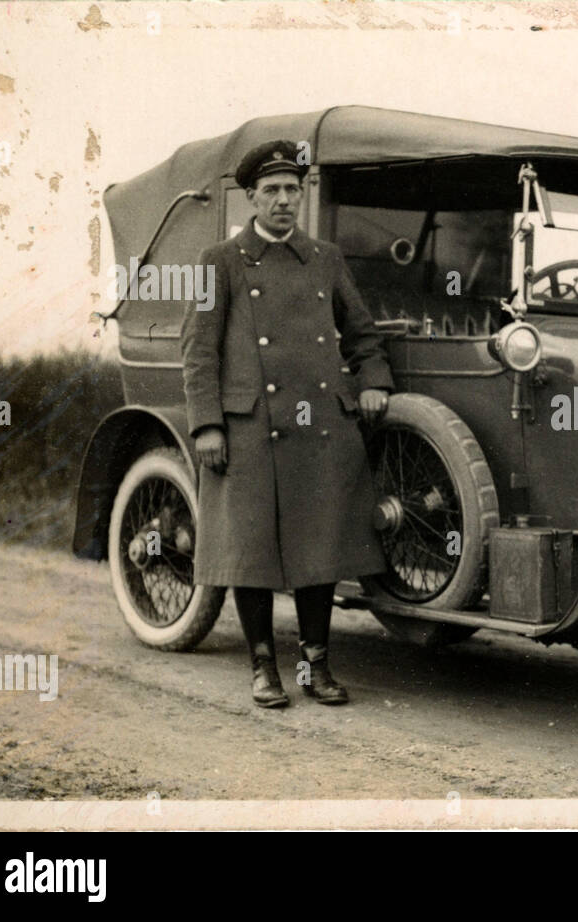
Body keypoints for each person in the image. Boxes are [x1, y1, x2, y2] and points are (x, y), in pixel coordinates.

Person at [180, 139, 392, 708]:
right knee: (250, 550)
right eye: (270, 191)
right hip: (250, 427)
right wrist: (207, 425)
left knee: (318, 547)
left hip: (321, 424)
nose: (282, 200)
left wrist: (373, 382)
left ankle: (316, 665)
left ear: (302, 195)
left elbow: (363, 333)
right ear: (251, 198)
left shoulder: (325, 258)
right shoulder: (216, 261)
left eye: (291, 190)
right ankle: (261, 666)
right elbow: (199, 352)